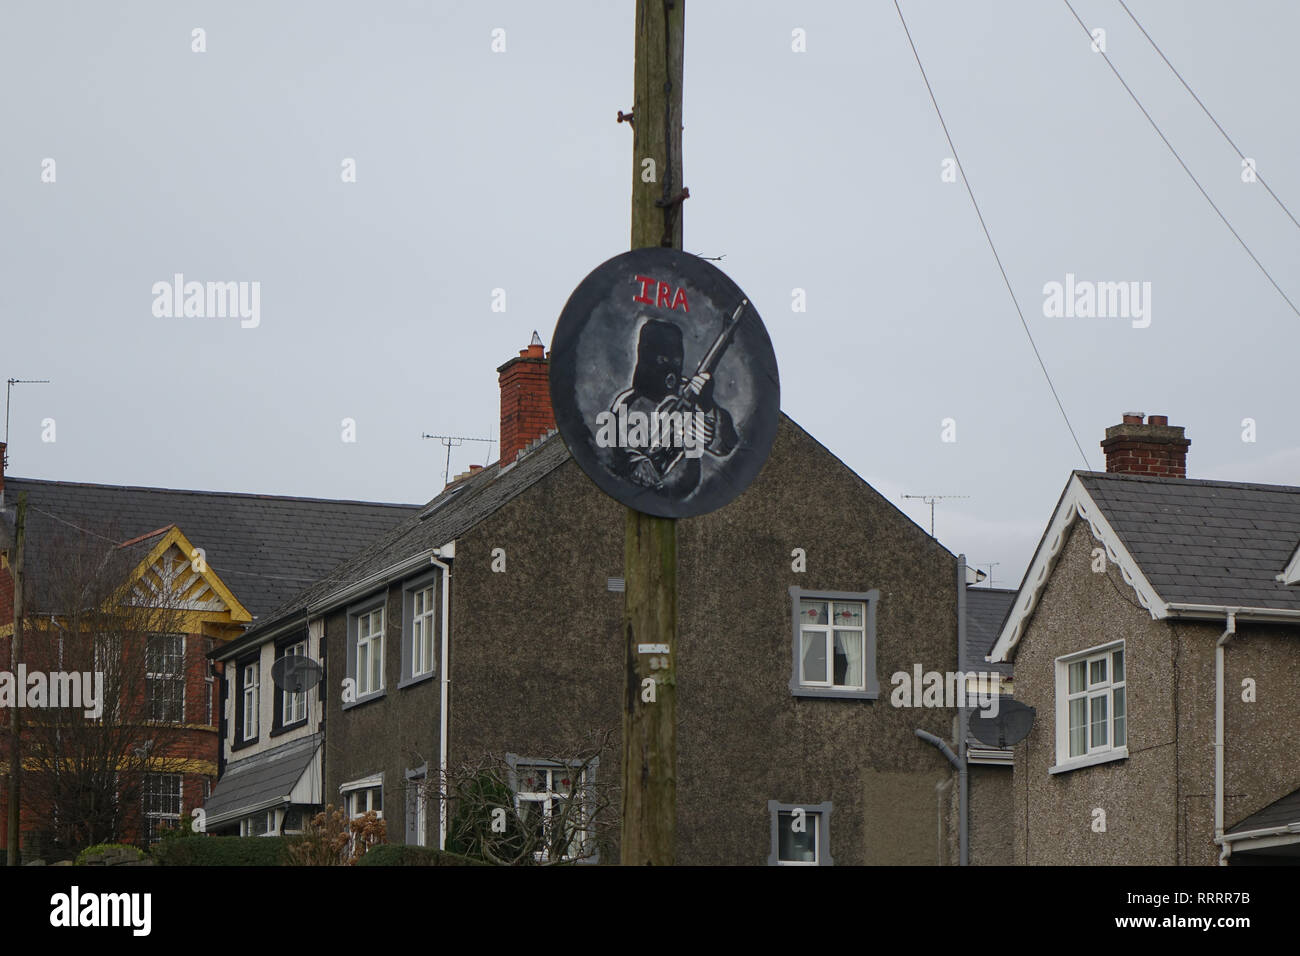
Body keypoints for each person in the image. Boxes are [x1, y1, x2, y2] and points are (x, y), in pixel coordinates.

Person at [606, 318, 737, 497]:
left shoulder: (691, 392)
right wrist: (641, 464)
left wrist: (707, 406)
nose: (670, 370)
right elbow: (615, 457)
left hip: (685, 495)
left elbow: (725, 446)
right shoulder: (627, 403)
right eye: (662, 360)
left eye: (676, 361)